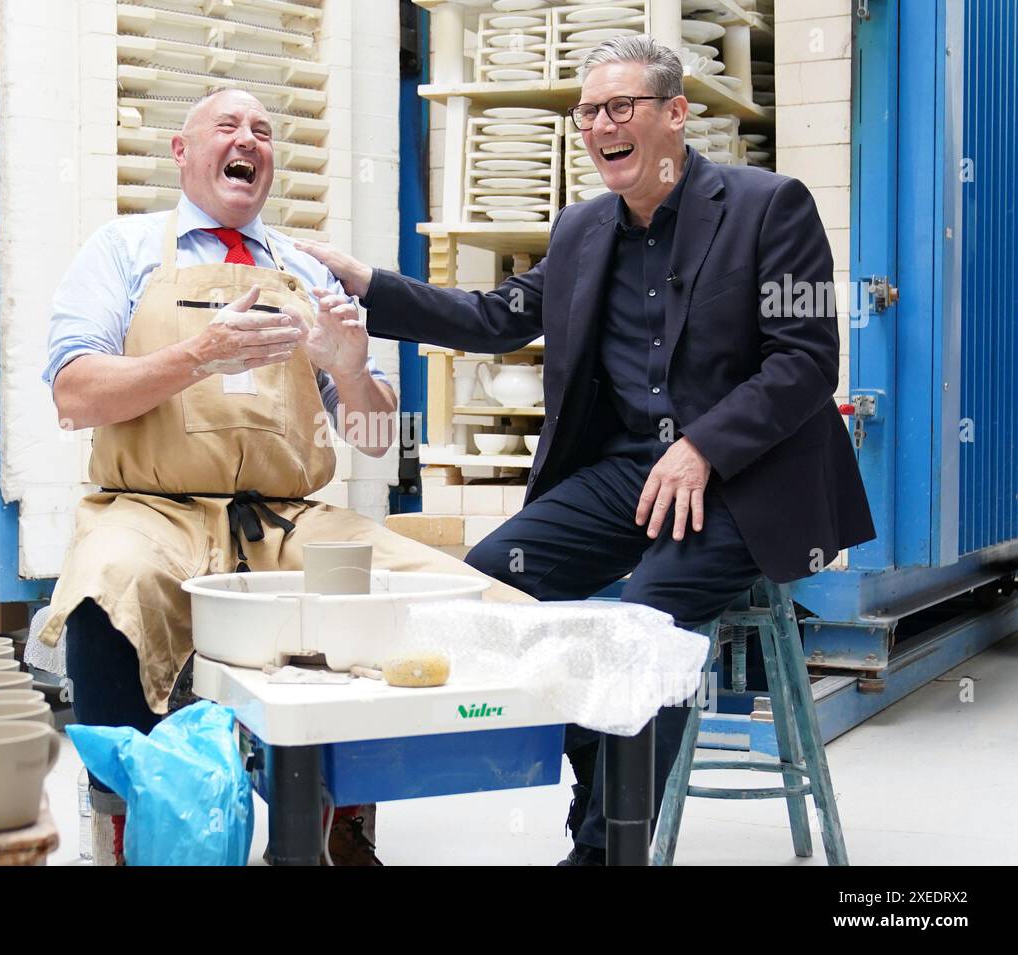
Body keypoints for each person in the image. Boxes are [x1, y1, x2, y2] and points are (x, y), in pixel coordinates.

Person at [296, 36, 876, 865]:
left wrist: (704, 447)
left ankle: (609, 848)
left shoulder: (770, 204)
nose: (600, 125)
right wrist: (367, 284)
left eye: (620, 108)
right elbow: (494, 317)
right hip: (627, 473)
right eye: (588, 112)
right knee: (493, 585)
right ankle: (600, 785)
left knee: (641, 625)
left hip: (746, 478)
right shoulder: (581, 227)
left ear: (675, 114)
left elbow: (809, 359)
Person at [38, 87, 531, 865]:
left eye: (264, 132)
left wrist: (349, 365)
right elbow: (73, 396)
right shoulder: (122, 249)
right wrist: (196, 355)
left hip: (285, 518)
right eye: (228, 127)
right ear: (181, 152)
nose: (250, 142)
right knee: (110, 579)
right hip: (151, 505)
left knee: (424, 589)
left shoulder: (304, 270)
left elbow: (371, 438)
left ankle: (341, 814)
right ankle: (133, 817)